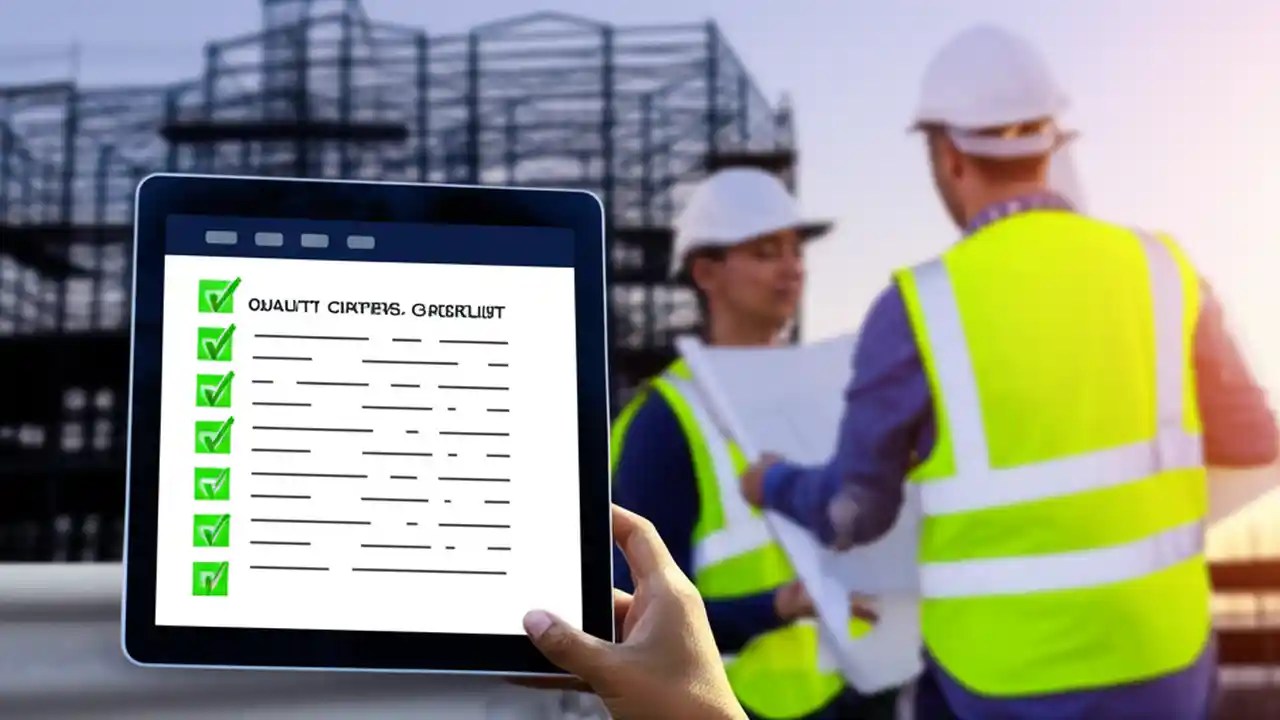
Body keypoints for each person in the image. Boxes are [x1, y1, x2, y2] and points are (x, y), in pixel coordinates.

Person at [738, 25, 1279, 720]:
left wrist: (773, 482)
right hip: (1161, 665)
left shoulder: (918, 308)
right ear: (1052, 143)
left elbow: (854, 511)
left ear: (948, 154)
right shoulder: (1163, 269)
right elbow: (1254, 440)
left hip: (1000, 685)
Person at [608, 166, 901, 719]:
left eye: (796, 250)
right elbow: (641, 621)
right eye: (767, 252)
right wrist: (777, 606)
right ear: (706, 272)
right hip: (733, 703)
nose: (792, 268)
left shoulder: (829, 395)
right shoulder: (666, 421)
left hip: (850, 692)